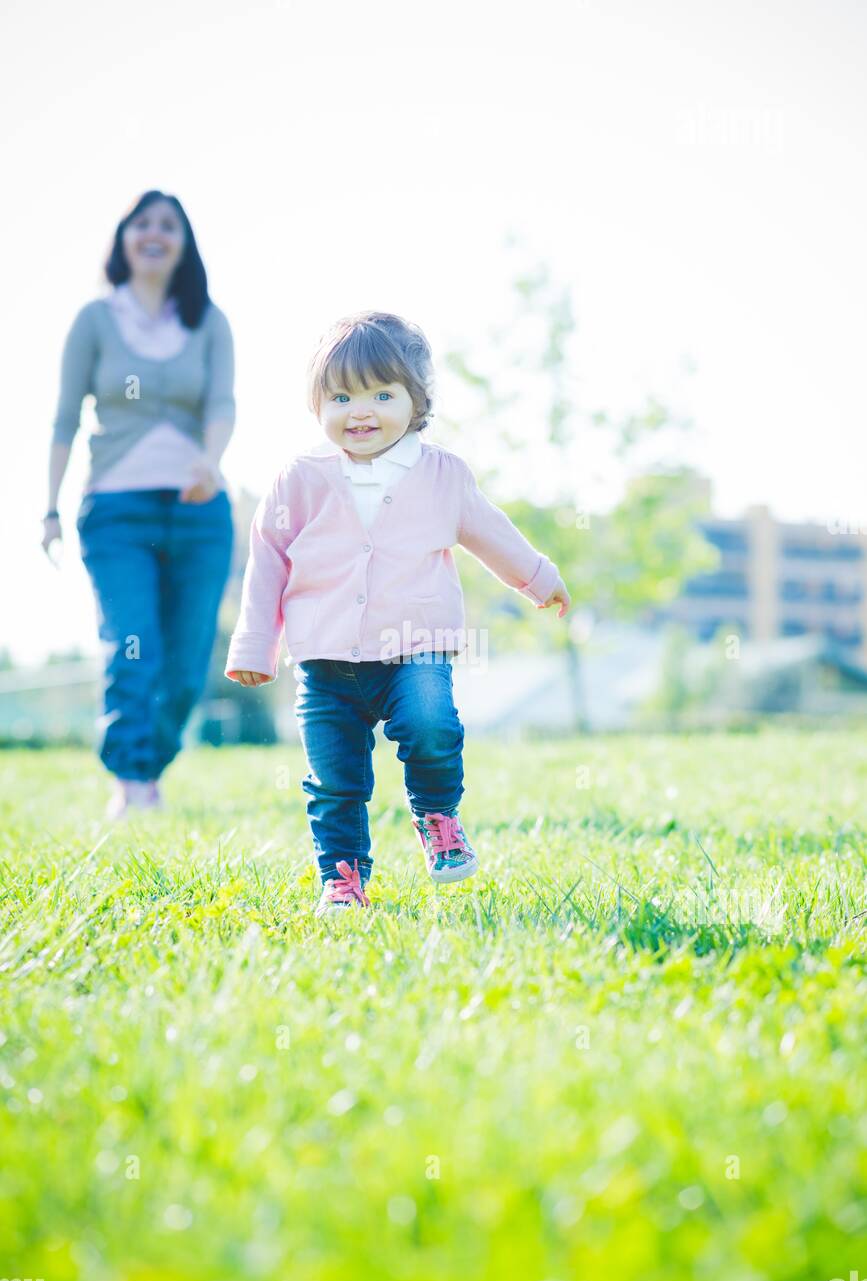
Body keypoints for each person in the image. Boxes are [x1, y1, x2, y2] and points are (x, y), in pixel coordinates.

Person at [225, 311, 571, 916]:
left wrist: (538, 578)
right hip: (326, 661)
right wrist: (256, 646)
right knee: (334, 780)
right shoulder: (298, 480)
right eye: (342, 396)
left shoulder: (443, 475)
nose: (361, 410)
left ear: (417, 402)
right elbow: (267, 563)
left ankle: (438, 816)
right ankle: (343, 878)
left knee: (431, 726)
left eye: (383, 394)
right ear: (318, 407)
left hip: (417, 646)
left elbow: (492, 534)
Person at [44, 190, 236, 820]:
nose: (155, 234)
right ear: (125, 237)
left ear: (184, 242)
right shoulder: (95, 320)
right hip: (117, 513)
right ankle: (131, 782)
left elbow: (221, 403)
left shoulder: (207, 321)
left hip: (198, 511)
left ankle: (149, 763)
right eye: (143, 223)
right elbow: (65, 419)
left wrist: (211, 458)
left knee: (184, 667)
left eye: (168, 225)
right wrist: (48, 507)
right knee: (133, 643)